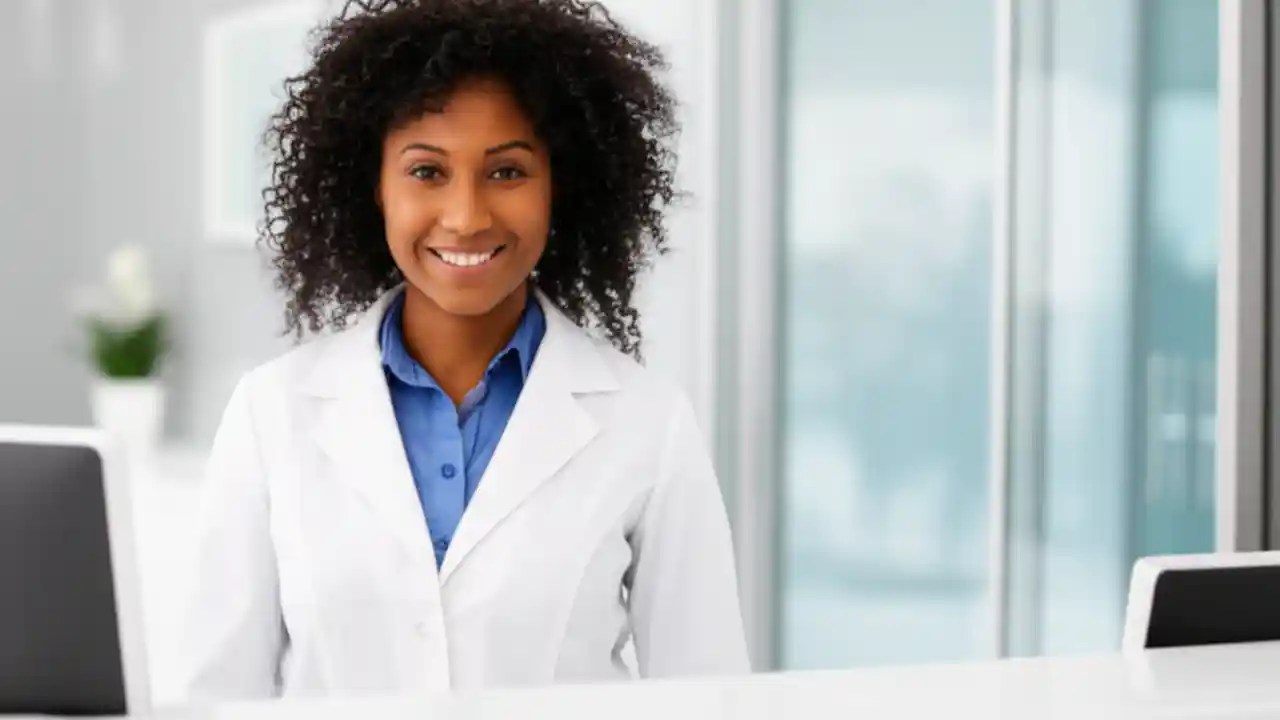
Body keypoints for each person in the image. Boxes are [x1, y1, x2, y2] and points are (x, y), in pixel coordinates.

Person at [184, 0, 748, 700]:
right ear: (375, 188)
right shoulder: (269, 415)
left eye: (507, 172)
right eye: (426, 172)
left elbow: (711, 697)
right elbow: (217, 698)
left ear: (559, 187)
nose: (467, 216)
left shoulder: (649, 423)